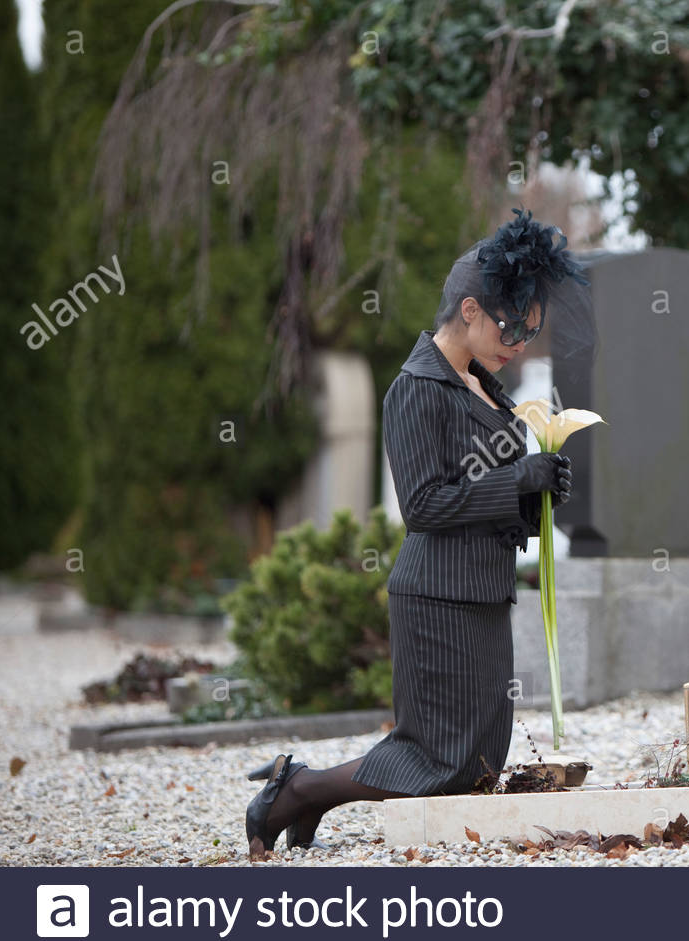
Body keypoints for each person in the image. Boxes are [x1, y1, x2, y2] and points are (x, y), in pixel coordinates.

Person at [244, 208, 596, 858]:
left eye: (531, 330)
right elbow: (427, 505)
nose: (520, 342)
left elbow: (482, 500)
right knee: (431, 760)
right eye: (511, 325)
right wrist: (518, 478)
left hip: (484, 593)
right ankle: (294, 791)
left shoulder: (489, 390)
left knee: (476, 760)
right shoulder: (416, 389)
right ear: (469, 309)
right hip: (436, 599)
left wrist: (534, 502)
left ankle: (304, 791)